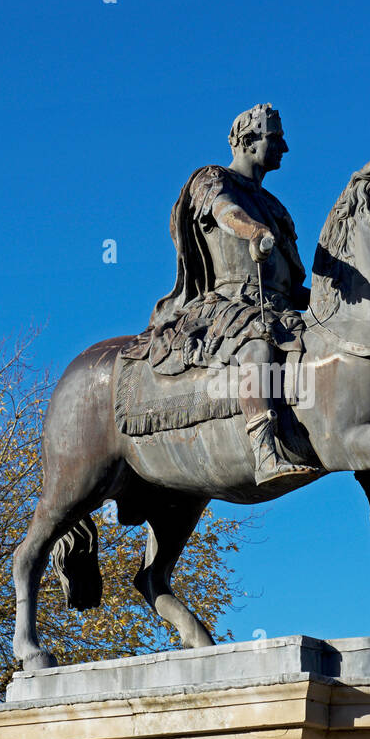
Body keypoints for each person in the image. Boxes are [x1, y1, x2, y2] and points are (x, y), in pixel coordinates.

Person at [121, 103, 319, 485]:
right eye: (275, 138)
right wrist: (253, 232)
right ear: (247, 141)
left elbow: (294, 283)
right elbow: (226, 213)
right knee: (255, 344)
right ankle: (264, 454)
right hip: (227, 305)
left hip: (280, 306)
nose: (285, 148)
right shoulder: (212, 178)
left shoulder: (276, 206)